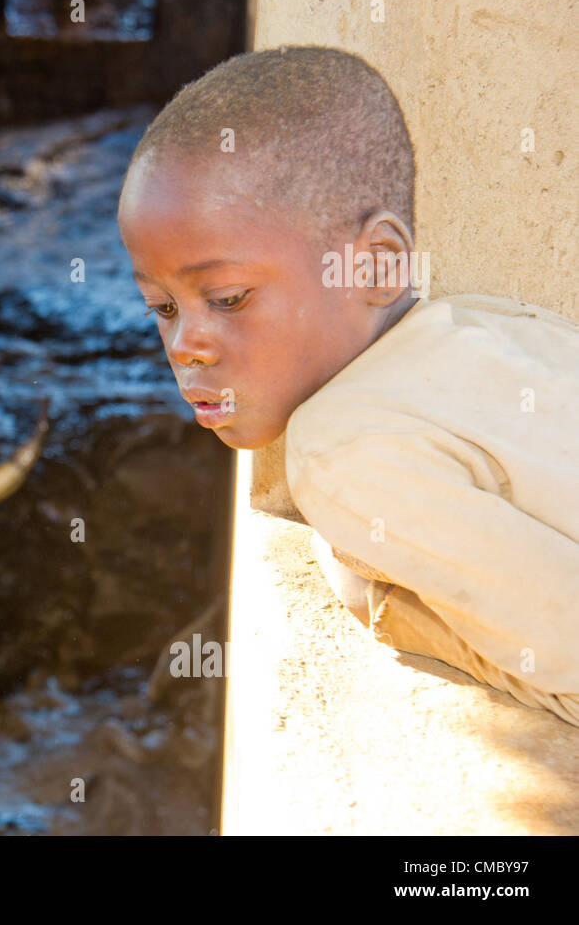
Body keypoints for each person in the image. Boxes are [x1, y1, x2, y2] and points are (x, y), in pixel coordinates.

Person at [117, 45, 579, 726]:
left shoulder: (336, 449)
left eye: (229, 297)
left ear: (375, 266)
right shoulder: (489, 323)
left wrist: (391, 614)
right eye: (162, 308)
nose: (186, 345)